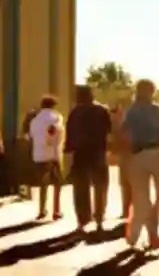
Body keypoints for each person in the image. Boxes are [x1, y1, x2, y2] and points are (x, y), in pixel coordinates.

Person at [121, 79, 159, 252]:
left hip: (139, 154)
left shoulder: (131, 113)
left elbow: (124, 136)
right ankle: (152, 233)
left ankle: (135, 234)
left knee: (141, 197)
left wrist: (124, 158)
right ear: (153, 92)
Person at [65, 84, 112, 233]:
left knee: (80, 188)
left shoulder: (75, 113)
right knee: (100, 186)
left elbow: (70, 135)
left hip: (80, 154)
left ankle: (82, 220)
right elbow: (109, 131)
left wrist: (68, 153)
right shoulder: (102, 111)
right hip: (98, 152)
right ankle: (99, 218)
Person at [28, 94, 65, 220]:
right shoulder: (57, 117)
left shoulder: (34, 120)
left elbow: (31, 136)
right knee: (57, 183)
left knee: (43, 184)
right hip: (53, 155)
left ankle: (42, 209)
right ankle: (56, 210)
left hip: (38, 155)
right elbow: (58, 134)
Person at [111, 101, 133, 222]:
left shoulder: (123, 122)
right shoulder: (120, 122)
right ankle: (127, 209)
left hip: (128, 154)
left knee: (127, 183)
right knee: (127, 183)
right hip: (128, 154)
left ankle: (128, 209)